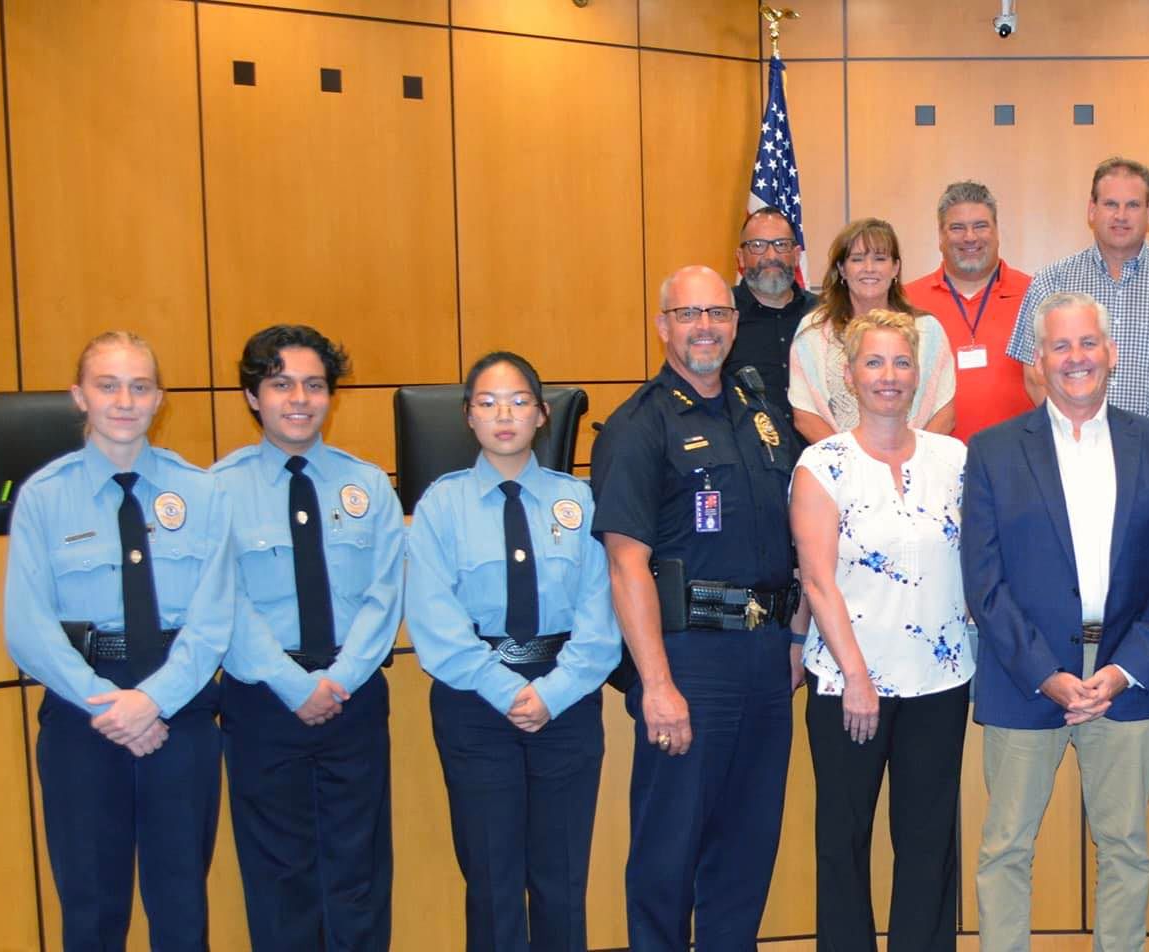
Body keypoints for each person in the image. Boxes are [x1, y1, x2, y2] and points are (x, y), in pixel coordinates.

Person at [962, 291, 1149, 952]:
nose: (1076, 358)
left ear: (1110, 352)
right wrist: (1046, 675)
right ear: (1037, 361)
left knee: (1125, 847)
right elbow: (984, 583)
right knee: (1004, 848)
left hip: (1126, 674)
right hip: (1023, 675)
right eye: (1060, 346)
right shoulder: (994, 451)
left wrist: (1121, 672)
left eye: (1087, 343)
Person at [592, 265, 807, 950]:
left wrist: (797, 639)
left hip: (765, 658)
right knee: (668, 848)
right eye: (687, 315)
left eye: (716, 312)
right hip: (688, 659)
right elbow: (626, 562)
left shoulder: (761, 415)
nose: (704, 327)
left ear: (735, 322)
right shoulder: (637, 426)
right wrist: (655, 684)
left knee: (746, 846)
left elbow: (793, 531)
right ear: (662, 327)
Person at [2, 331, 235, 951]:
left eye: (139, 386)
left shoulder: (203, 492)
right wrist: (113, 706)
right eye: (108, 385)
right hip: (83, 720)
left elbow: (214, 620)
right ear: (80, 396)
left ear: (160, 398)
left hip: (180, 716)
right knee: (91, 909)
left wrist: (153, 701)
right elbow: (26, 627)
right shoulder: (45, 498)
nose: (124, 400)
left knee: (182, 906)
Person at [406, 351, 621, 951]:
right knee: (493, 883)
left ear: (543, 415)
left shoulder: (578, 503)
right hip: (475, 706)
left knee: (562, 879)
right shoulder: (439, 507)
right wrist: (507, 690)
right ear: (468, 417)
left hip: (567, 702)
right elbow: (435, 623)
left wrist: (550, 694)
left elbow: (600, 618)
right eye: (488, 402)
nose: (505, 414)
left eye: (519, 401)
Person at [213, 325, 401, 951]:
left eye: (314, 384)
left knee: (360, 874)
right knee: (279, 879)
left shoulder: (368, 484)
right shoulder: (216, 490)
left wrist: (339, 681)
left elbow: (384, 597)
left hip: (353, 699)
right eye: (281, 383)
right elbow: (224, 605)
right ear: (252, 395)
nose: (300, 398)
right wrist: (294, 685)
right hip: (264, 701)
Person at [791, 310, 972, 951]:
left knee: (928, 843)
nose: (888, 376)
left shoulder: (953, 458)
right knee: (845, 840)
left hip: (940, 682)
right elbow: (818, 583)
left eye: (900, 363)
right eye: (874, 362)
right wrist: (858, 681)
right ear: (850, 374)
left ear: (917, 374)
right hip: (851, 686)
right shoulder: (823, 463)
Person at [1007, 156, 1149, 430]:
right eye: (1110, 204)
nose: (1120, 216)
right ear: (1092, 210)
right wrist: (1072, 434)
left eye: (1132, 205)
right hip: (1072, 457)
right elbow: (1034, 374)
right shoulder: (1051, 282)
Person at [790, 218, 957, 441]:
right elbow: (805, 414)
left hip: (914, 468)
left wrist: (911, 461)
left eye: (879, 259)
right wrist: (849, 463)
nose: (869, 269)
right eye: (857, 259)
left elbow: (944, 412)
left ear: (895, 267)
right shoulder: (813, 331)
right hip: (841, 469)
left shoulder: (928, 330)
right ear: (842, 269)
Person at [903, 181, 1035, 442]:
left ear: (996, 232)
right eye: (957, 228)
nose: (970, 237)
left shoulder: (1035, 295)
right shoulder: (906, 302)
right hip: (933, 463)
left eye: (980, 226)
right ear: (940, 236)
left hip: (1018, 462)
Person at [727, 205, 819, 430]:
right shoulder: (720, 317)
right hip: (746, 458)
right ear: (741, 257)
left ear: (796, 255)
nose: (770, 256)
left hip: (816, 454)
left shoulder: (823, 316)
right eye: (757, 245)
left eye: (781, 245)